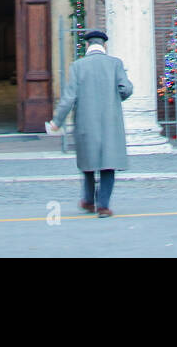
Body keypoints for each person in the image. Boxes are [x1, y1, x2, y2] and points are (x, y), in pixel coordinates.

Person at [45, 28, 132, 217]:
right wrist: (116, 96)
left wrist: (57, 121)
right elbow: (126, 89)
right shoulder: (115, 64)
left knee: (89, 163)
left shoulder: (78, 66)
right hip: (111, 123)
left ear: (87, 45)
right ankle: (103, 206)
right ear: (104, 45)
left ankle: (88, 201)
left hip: (86, 122)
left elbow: (69, 98)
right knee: (108, 165)